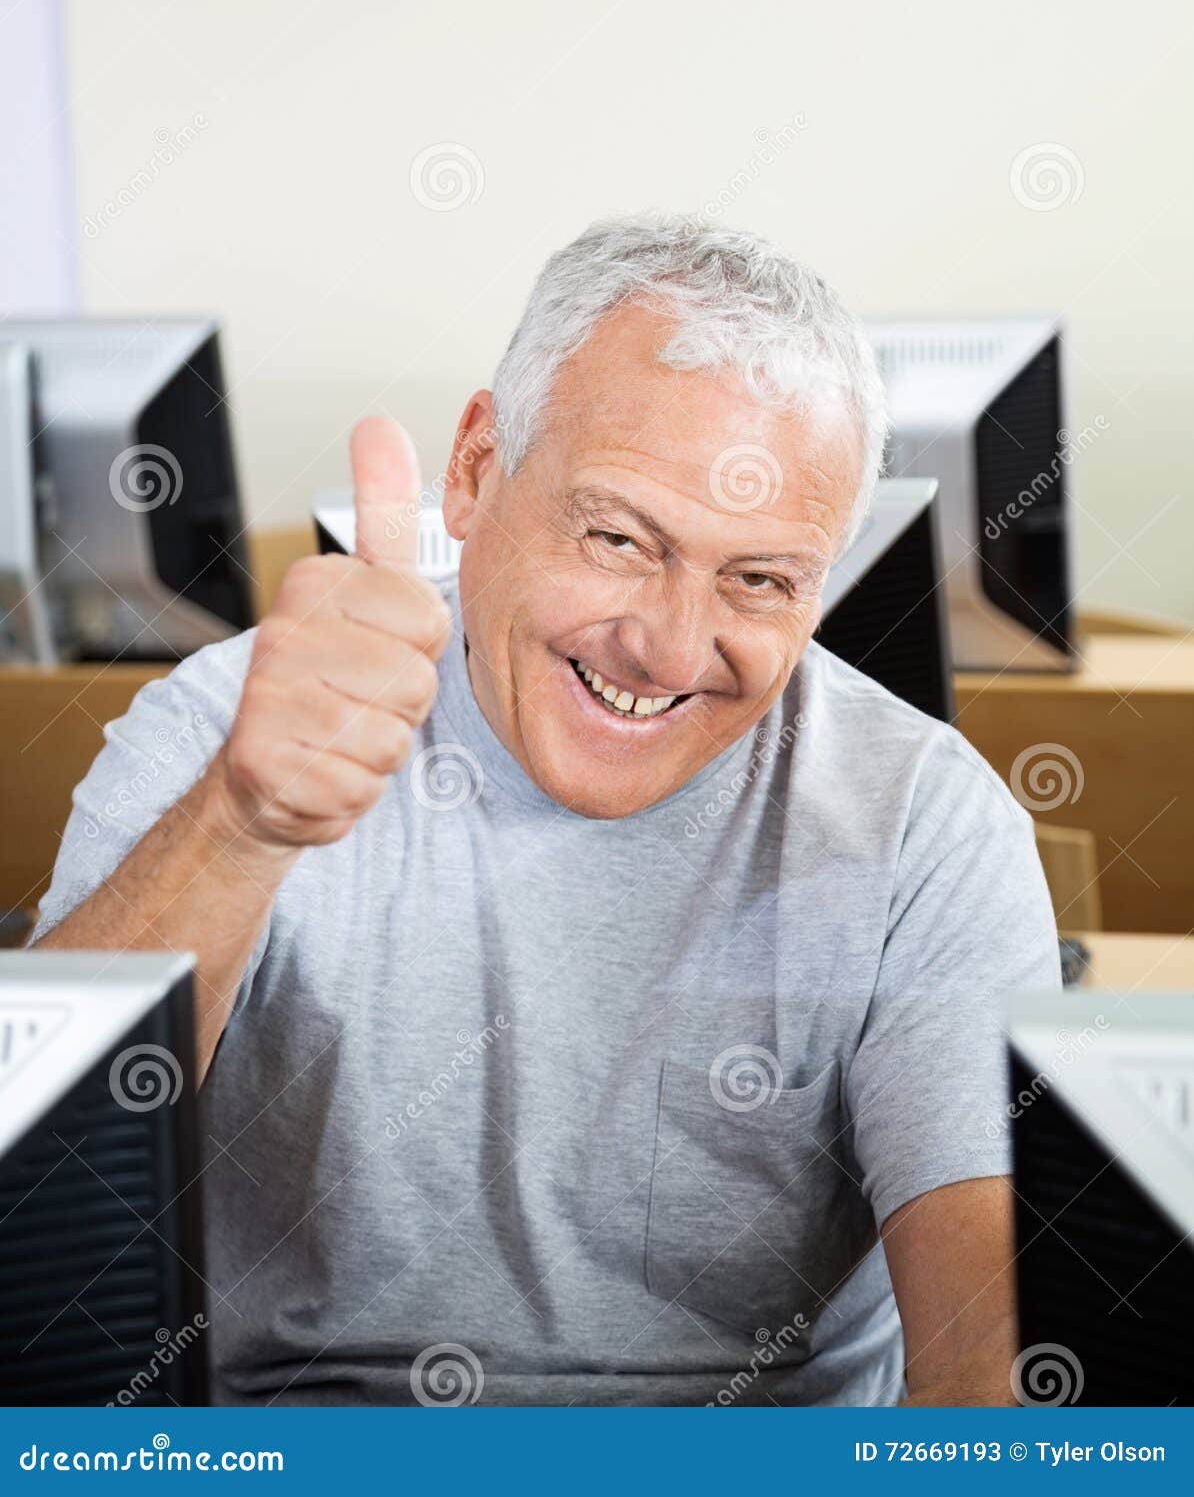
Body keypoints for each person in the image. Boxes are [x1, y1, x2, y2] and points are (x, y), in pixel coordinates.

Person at [33, 212, 1060, 1406]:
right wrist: (241, 826)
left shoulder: (926, 820)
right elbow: (44, 1212)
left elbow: (983, 1374)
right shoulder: (230, 730)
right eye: (619, 537)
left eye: (760, 579)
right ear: (474, 470)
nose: (672, 647)